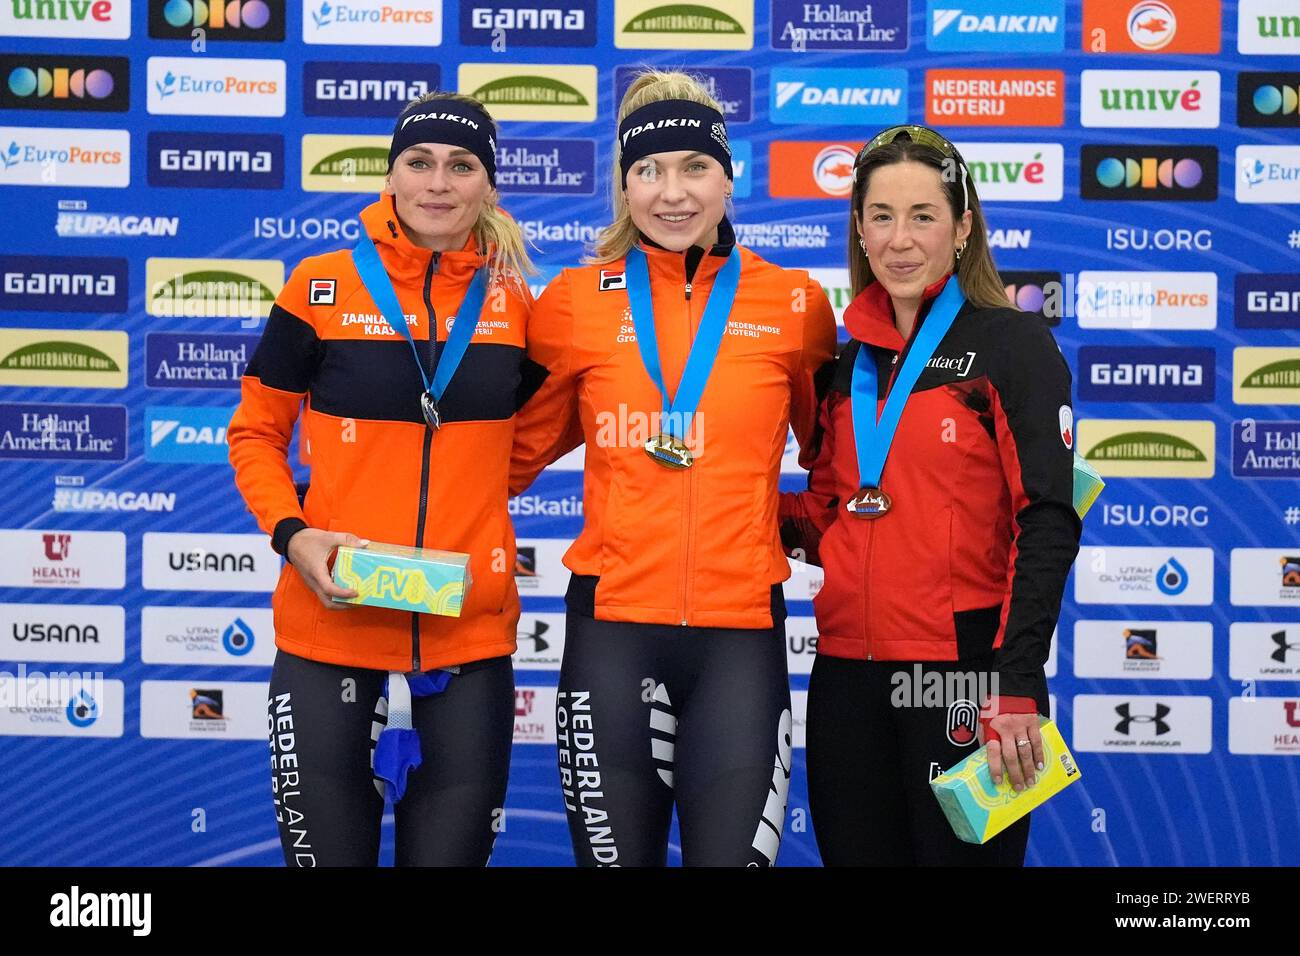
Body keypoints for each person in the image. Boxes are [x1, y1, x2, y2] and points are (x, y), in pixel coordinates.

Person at [510, 69, 837, 867]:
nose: (672, 193)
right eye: (648, 171)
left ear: (729, 176)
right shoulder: (574, 302)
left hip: (741, 641)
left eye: (695, 168)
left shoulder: (794, 305)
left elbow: (841, 463)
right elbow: (502, 458)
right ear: (624, 185)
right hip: (611, 637)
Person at [227, 91, 535, 866]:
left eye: (461, 166)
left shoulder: (517, 303)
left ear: (487, 185)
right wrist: (293, 536)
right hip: (331, 628)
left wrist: (475, 509)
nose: (438, 183)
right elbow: (255, 433)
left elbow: (530, 445)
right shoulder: (320, 287)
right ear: (389, 176)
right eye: (419, 163)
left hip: (466, 640)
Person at [779, 125, 1081, 866]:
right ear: (858, 228)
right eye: (882, 215)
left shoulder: (1013, 346)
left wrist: (1015, 685)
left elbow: (1047, 518)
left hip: (966, 679)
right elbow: (830, 516)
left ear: (963, 227)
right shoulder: (844, 365)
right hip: (848, 678)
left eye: (924, 215)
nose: (901, 239)